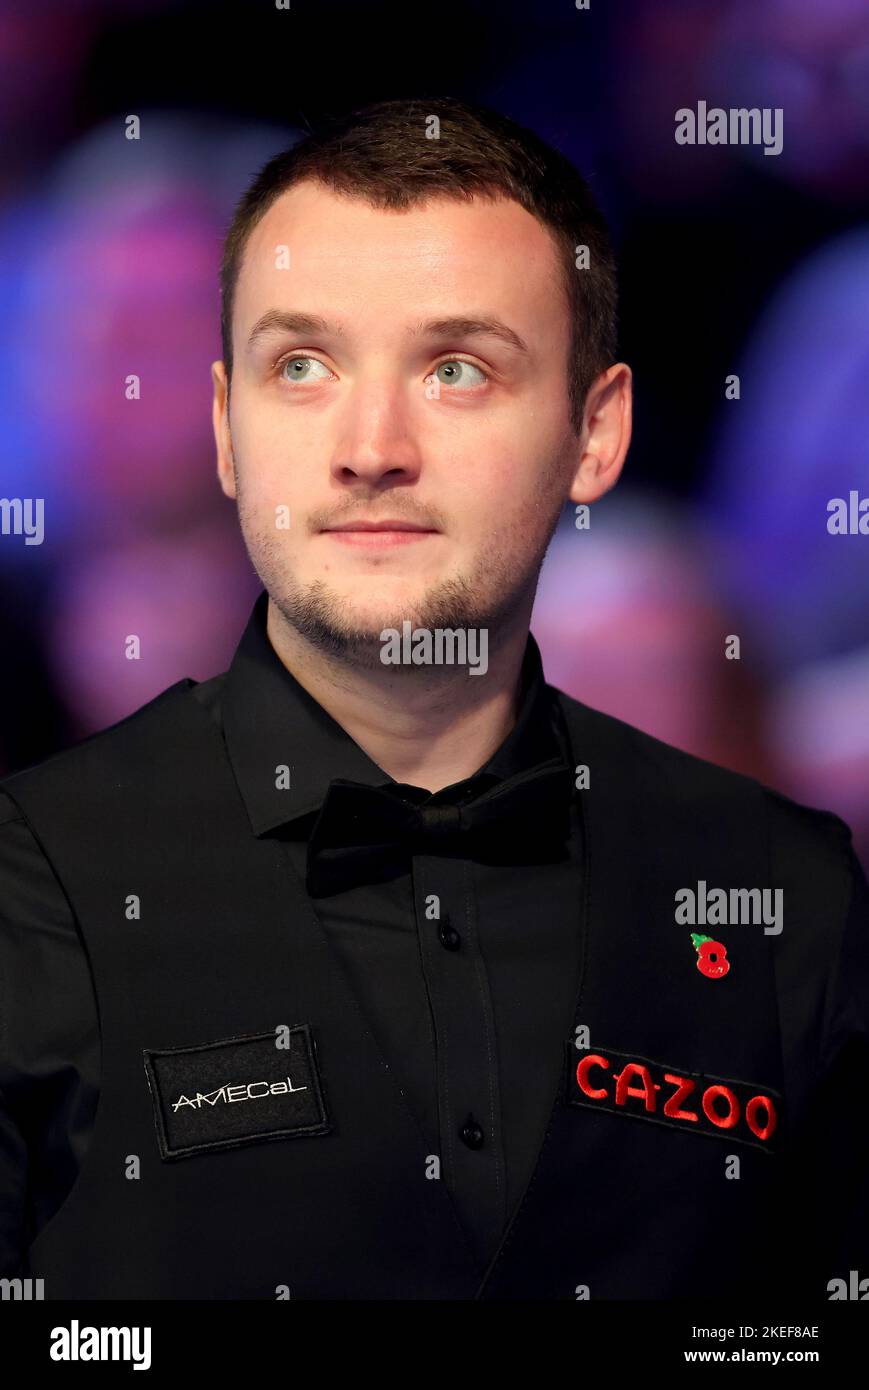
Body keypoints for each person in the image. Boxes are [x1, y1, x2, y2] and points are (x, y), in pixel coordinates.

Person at [0, 96, 866, 1301]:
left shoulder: (790, 896)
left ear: (593, 432)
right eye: (300, 366)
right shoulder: (26, 886)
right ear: (225, 426)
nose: (370, 446)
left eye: (456, 368)